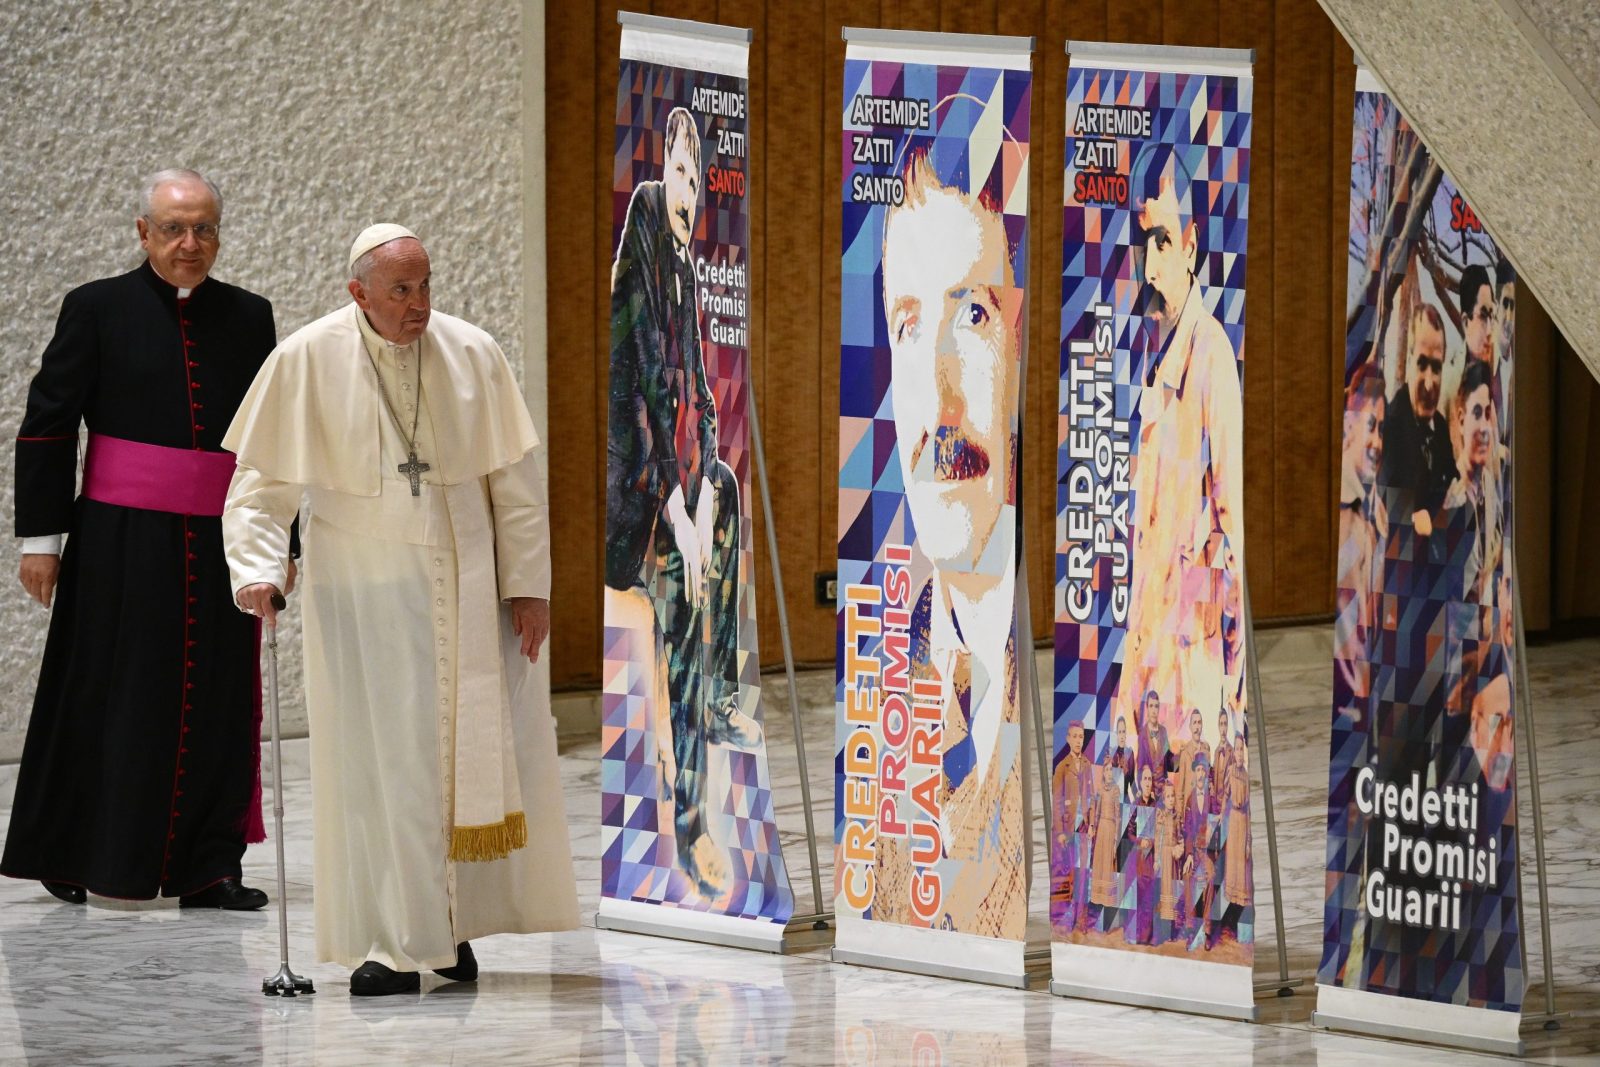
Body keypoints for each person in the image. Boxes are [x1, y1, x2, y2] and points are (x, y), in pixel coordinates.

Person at [222, 224, 578, 995]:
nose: (419, 305)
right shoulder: (308, 359)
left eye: (425, 285)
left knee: (461, 762)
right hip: (364, 599)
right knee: (382, 766)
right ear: (359, 293)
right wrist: (255, 570)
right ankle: (389, 939)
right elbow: (258, 488)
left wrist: (530, 586)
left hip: (467, 583)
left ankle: (448, 933)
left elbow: (516, 481)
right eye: (400, 291)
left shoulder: (472, 351)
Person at [3, 169, 275, 909]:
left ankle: (208, 865)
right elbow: (49, 422)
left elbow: (270, 444)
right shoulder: (95, 308)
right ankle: (82, 850)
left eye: (205, 229)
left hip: (218, 543)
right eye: (174, 228)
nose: (191, 244)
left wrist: (274, 548)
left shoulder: (251, 317)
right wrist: (41, 539)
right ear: (143, 232)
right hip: (118, 540)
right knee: (109, 696)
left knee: (217, 699)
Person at [605, 106, 760, 900]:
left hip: (674, 477)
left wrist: (705, 490)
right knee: (681, 592)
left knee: (728, 489)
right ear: (661, 172)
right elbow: (638, 395)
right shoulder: (637, 240)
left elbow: (696, 382)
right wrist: (675, 508)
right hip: (632, 498)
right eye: (680, 172)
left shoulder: (689, 268)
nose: (692, 191)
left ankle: (725, 694)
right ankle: (691, 820)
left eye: (700, 179)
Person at [878, 141, 1026, 937]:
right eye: (908, 326)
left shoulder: (1095, 706)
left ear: (1018, 343)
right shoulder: (881, 704)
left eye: (971, 315)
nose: (939, 397)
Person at [1116, 147, 1246, 759]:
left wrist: (1235, 702)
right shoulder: (1149, 354)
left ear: (1192, 247)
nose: (1149, 265)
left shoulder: (1212, 356)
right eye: (1143, 244)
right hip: (1148, 672)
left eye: (1164, 242)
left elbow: (1234, 536)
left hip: (1191, 686)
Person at [1334, 360, 1388, 721]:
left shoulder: (1371, 514)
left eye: (1383, 430)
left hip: (1365, 707)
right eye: (1372, 425)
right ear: (1350, 426)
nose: (1377, 442)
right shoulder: (1344, 514)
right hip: (1345, 708)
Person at [1377, 303, 1454, 536]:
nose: (1430, 383)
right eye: (1422, 365)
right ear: (1409, 361)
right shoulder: (1387, 431)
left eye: (1436, 367)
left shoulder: (1441, 429)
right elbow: (1385, 519)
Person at [1050, 721, 1094, 933]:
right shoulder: (1061, 768)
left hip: (1084, 828)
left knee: (1083, 873)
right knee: (1069, 875)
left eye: (1081, 737)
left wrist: (1092, 823)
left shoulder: (1086, 765)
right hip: (1067, 831)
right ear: (1068, 738)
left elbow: (1091, 796)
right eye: (1074, 736)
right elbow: (1056, 801)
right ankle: (1066, 918)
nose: (1078, 741)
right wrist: (1059, 832)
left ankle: (1081, 919)